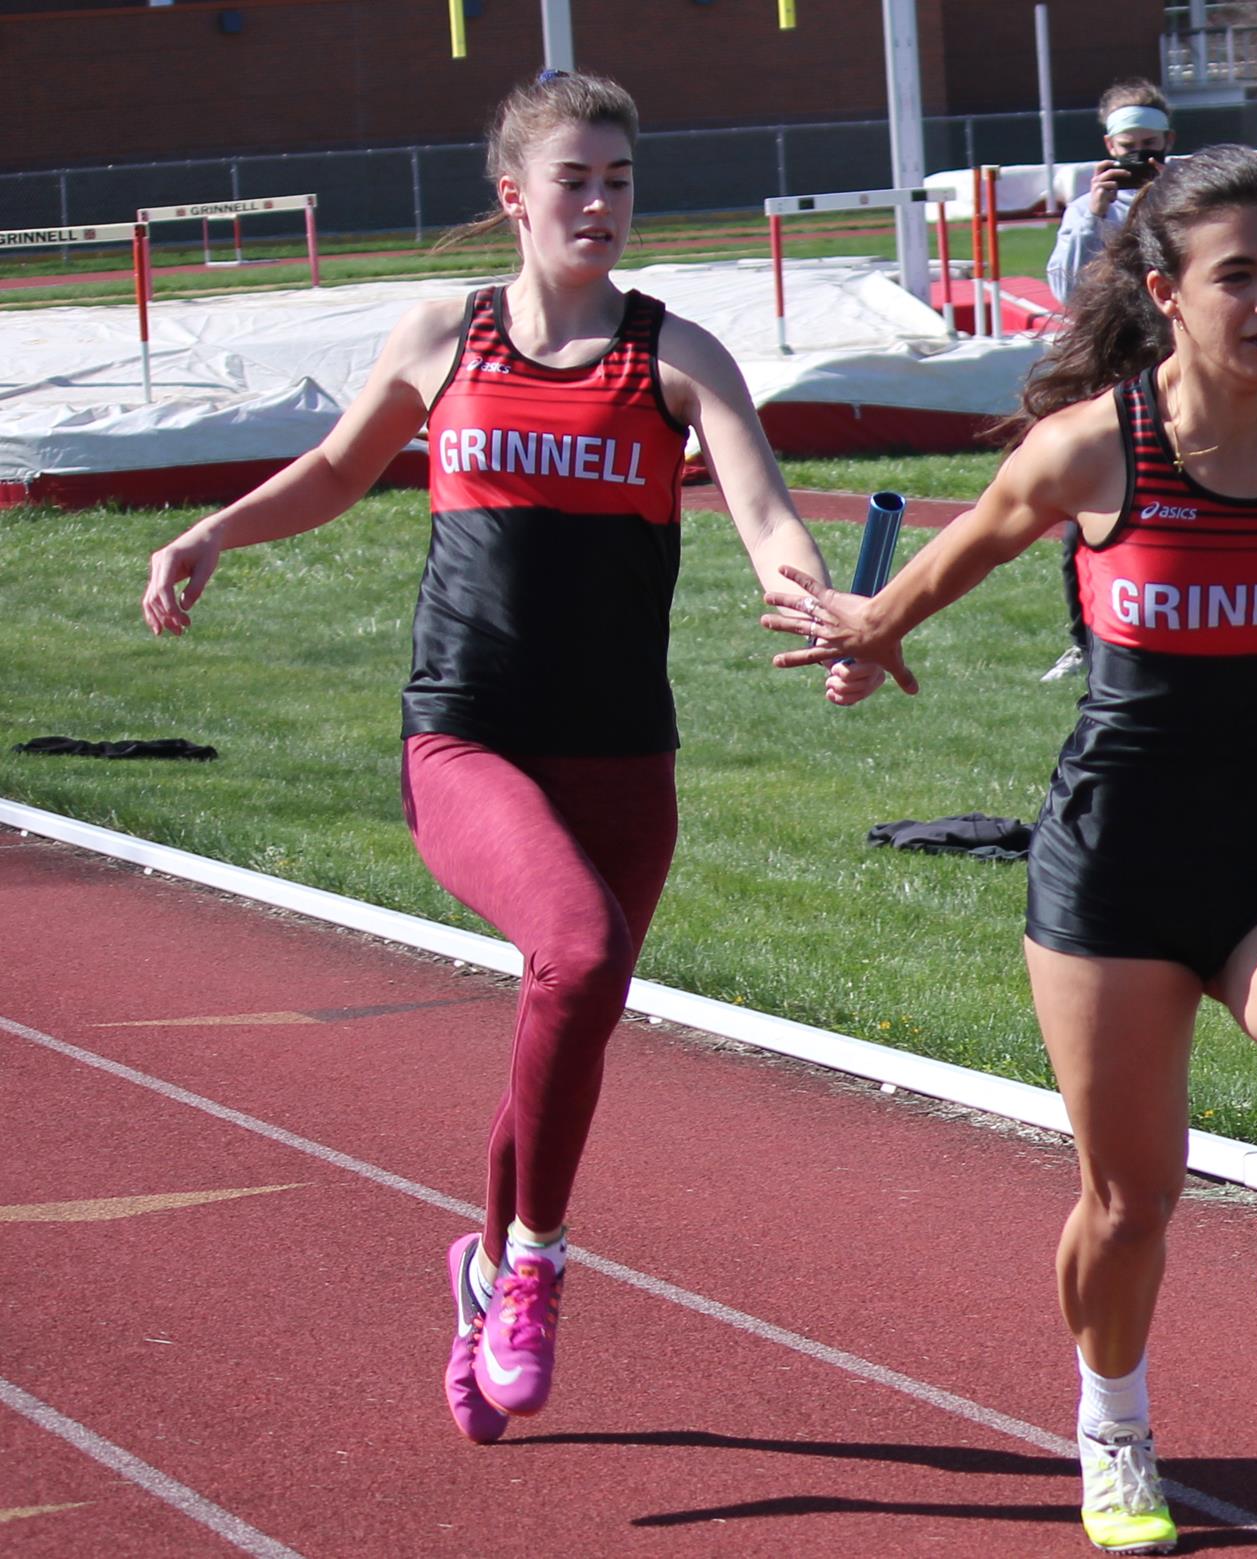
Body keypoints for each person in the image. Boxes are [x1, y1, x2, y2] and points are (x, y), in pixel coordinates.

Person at [140, 71, 879, 1446]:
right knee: (582, 953)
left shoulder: (676, 354)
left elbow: (769, 520)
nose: (600, 203)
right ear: (515, 198)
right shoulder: (446, 335)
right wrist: (212, 533)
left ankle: (483, 1263)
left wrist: (833, 611)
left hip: (621, 754)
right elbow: (336, 468)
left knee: (569, 1005)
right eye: (575, 181)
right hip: (468, 733)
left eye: (619, 180)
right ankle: (536, 1260)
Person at [763, 146, 1257, 1553]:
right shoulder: (1099, 447)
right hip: (1116, 869)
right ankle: (1114, 1421)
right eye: (1240, 276)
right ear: (1166, 291)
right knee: (1133, 1195)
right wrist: (873, 628)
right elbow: (972, 541)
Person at [1041, 78, 1178, 684]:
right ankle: (1085, 638)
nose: (1137, 159)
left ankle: (1183, 623)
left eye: (1149, 146)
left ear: (1168, 142)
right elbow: (1065, 291)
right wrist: (1095, 213)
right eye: (1128, 147)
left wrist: (1159, 198)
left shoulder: (1188, 198)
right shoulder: (1086, 209)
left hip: (1176, 363)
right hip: (1111, 371)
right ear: (1107, 146)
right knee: (1091, 507)